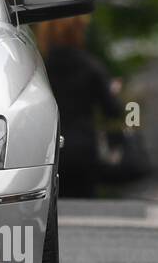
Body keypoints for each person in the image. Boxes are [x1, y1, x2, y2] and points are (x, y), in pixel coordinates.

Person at [36, 14, 124, 198]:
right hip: (84, 150)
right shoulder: (90, 66)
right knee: (84, 207)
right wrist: (113, 92)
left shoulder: (37, 69)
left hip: (47, 151)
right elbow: (113, 110)